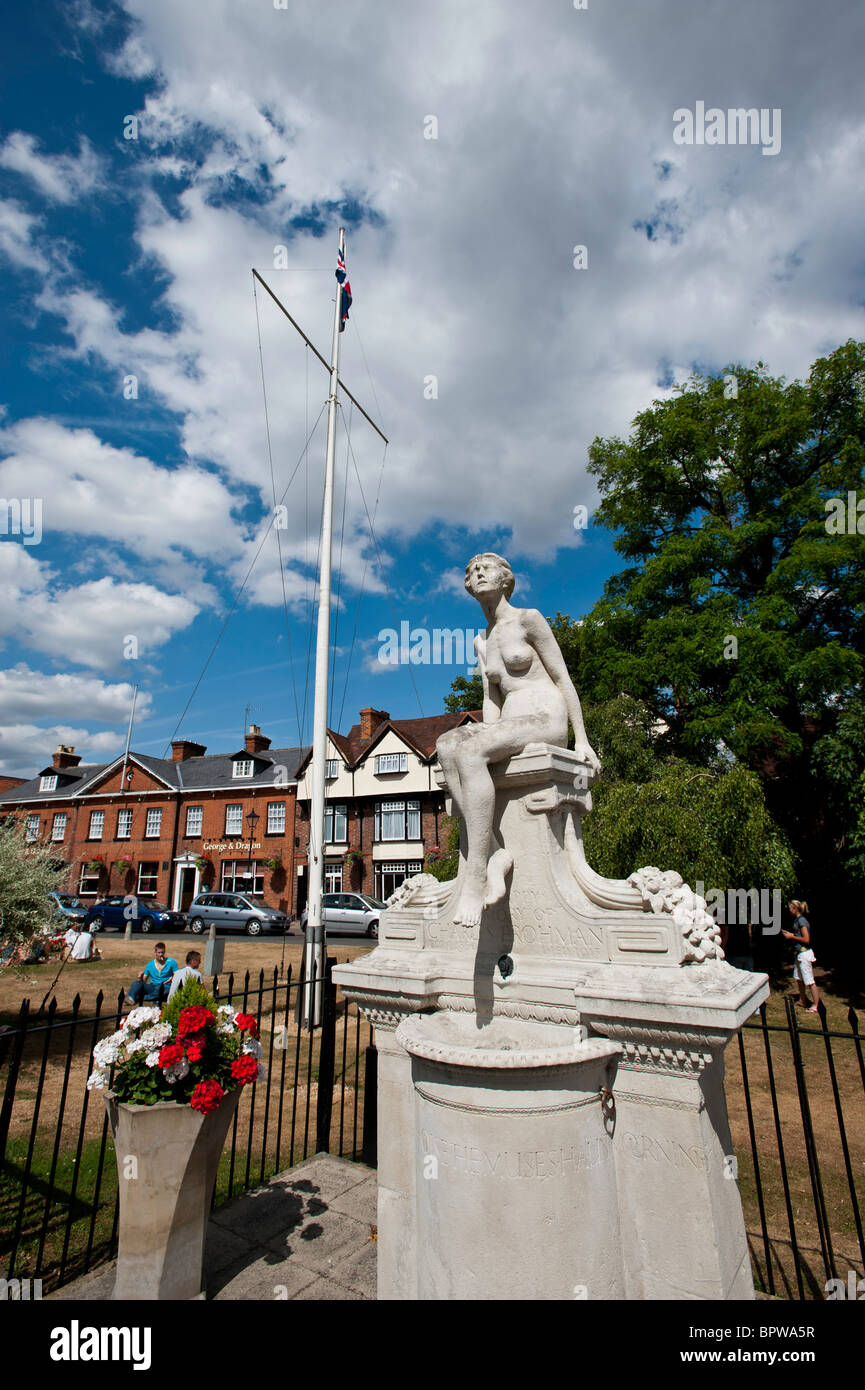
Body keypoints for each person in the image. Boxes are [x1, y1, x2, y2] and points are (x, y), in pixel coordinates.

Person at [436, 553, 599, 927]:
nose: (477, 572)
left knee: (472, 749)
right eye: (470, 570)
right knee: (447, 745)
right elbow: (491, 699)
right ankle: (494, 852)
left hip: (545, 715)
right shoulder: (482, 640)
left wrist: (582, 740)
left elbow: (563, 679)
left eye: (486, 566)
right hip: (510, 722)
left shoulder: (530, 619)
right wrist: (484, 733)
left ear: (506, 579)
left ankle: (477, 874)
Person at [781, 900, 819, 1012]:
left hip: (804, 953)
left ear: (796, 909)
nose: (789, 910)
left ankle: (816, 1005)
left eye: (791, 908)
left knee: (809, 981)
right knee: (798, 978)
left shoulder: (802, 921)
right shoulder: (797, 920)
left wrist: (791, 937)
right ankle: (803, 1000)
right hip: (799, 954)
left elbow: (806, 939)